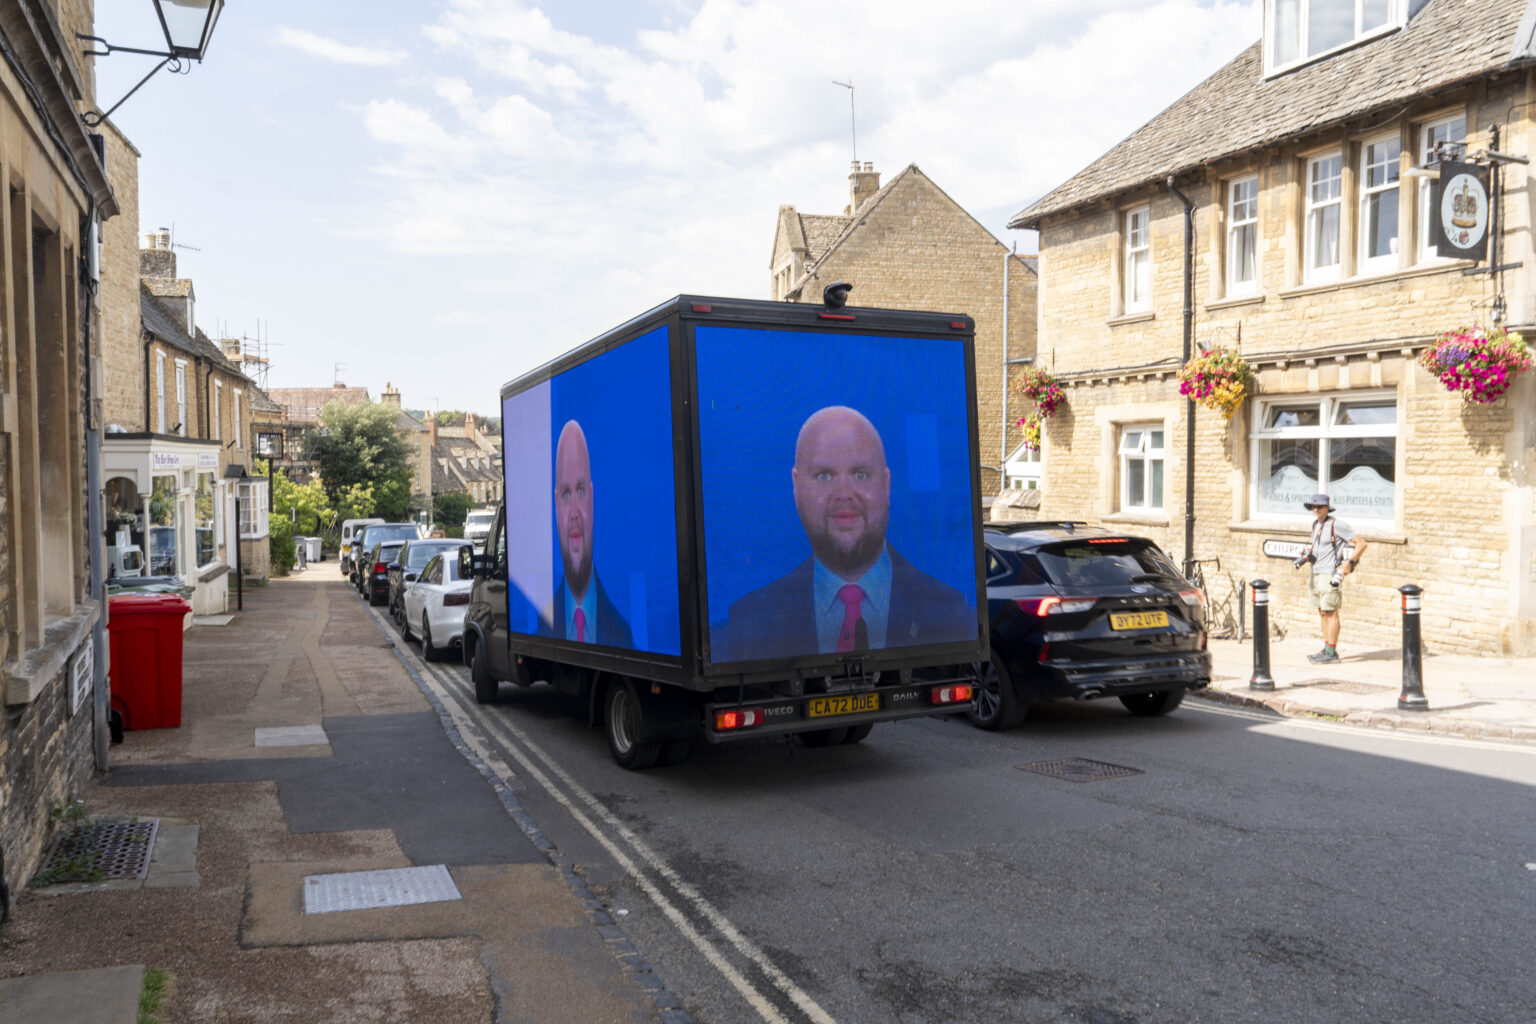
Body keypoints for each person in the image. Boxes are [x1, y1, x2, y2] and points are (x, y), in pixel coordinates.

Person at [711, 405, 974, 662]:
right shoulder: (745, 628)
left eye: (860, 474)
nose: (844, 494)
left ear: (886, 486)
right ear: (796, 487)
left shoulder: (952, 614)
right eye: (824, 476)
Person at [537, 419, 633, 648]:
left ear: (592, 498)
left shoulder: (622, 634)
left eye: (580, 491)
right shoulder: (541, 629)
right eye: (565, 495)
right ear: (555, 504)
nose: (573, 513)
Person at [1297, 491, 1367, 664]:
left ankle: (1332, 652)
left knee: (1331, 612)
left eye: (1319, 506)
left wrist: (1349, 562)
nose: (1316, 509)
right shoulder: (1316, 525)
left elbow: (1361, 543)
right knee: (1322, 612)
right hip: (1316, 572)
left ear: (1327, 508)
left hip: (1329, 573)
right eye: (1313, 506)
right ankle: (1326, 648)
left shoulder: (1337, 525)